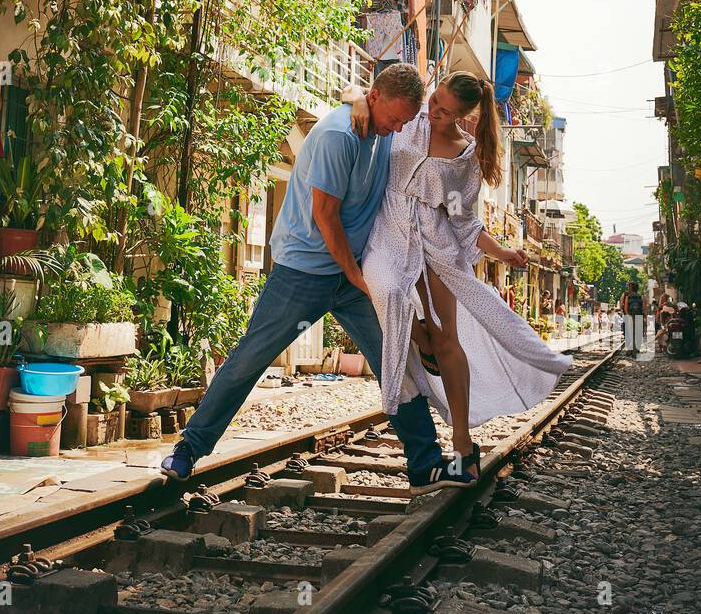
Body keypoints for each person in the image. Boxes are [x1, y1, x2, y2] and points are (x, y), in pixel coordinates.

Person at [162, 64, 464, 493]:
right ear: (375, 99)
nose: (396, 128)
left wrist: (359, 97)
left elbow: (397, 114)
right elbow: (326, 217)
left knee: (395, 362)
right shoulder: (339, 136)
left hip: (353, 276)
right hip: (303, 272)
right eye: (392, 118)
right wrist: (357, 276)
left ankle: (425, 465)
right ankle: (188, 450)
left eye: (402, 121)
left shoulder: (385, 120)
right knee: (251, 357)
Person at [349, 72, 573, 483]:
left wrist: (503, 251)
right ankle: (420, 341)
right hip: (390, 228)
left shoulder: (464, 156)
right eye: (434, 102)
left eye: (444, 111)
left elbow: (464, 222)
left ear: (463, 115)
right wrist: (361, 100)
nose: (433, 112)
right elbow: (362, 97)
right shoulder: (409, 118)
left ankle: (463, 444)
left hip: (436, 240)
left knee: (449, 338)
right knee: (385, 289)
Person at [620, 279, 647, 355]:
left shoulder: (626, 295)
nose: (628, 288)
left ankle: (630, 349)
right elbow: (644, 308)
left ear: (631, 287)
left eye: (629, 286)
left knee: (629, 333)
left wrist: (627, 315)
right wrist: (645, 317)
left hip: (629, 316)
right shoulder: (640, 296)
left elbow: (623, 306)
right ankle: (636, 349)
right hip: (639, 316)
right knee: (638, 333)